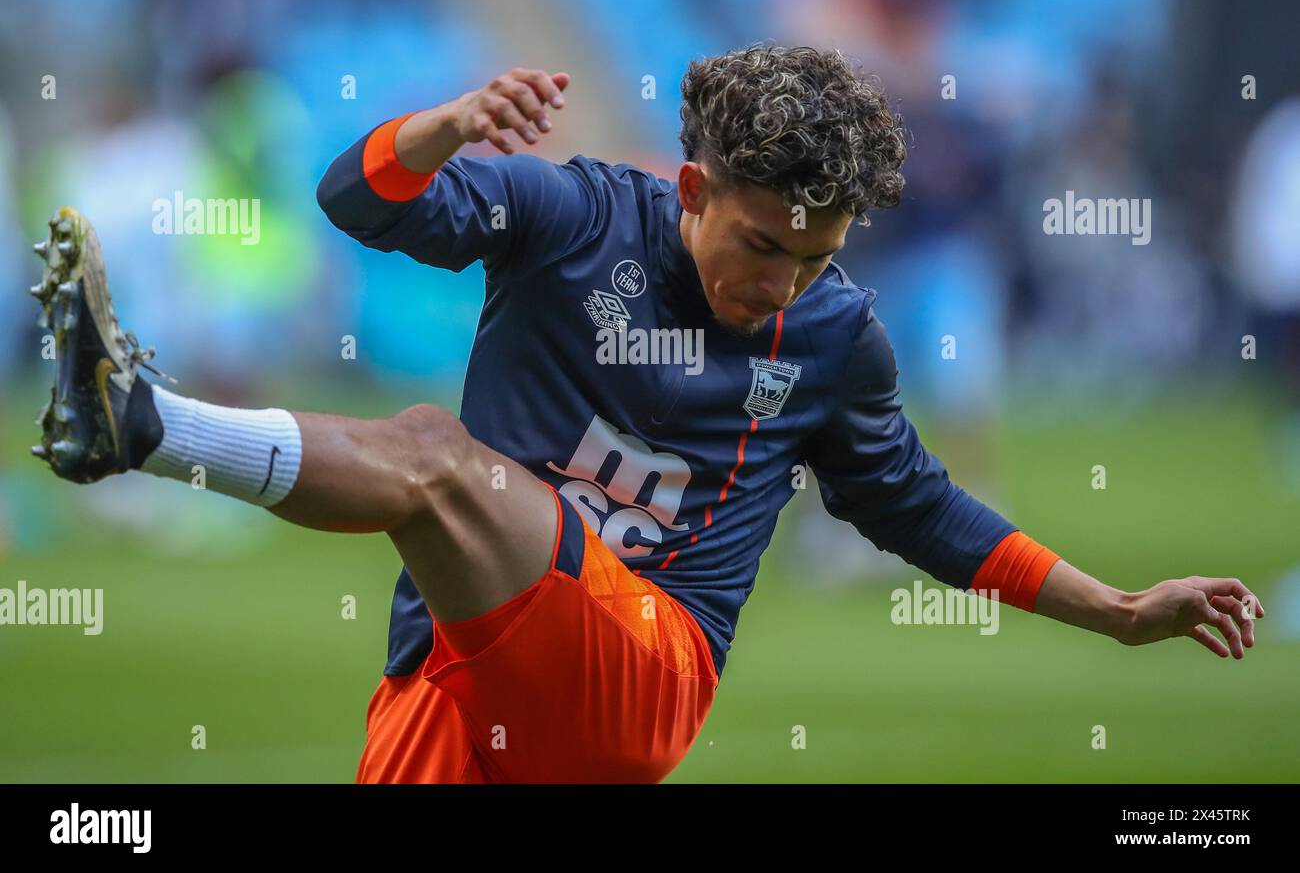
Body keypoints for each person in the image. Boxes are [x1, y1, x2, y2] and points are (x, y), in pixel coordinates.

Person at [29, 45, 1264, 784]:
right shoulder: (572, 217)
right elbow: (356, 199)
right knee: (436, 472)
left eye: (818, 255)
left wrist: (1112, 608)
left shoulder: (836, 336)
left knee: (429, 458)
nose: (783, 282)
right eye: (764, 243)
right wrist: (445, 129)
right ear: (690, 189)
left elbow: (918, 507)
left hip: (644, 669)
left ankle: (141, 425)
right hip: (460, 675)